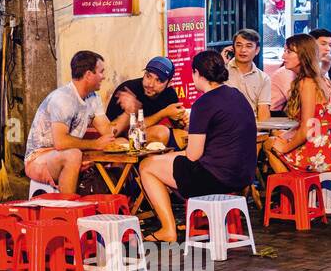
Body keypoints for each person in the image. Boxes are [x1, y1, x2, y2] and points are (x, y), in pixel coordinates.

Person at [139, 50, 258, 243]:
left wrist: (170, 155)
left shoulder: (204, 103)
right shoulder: (236, 94)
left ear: (197, 73)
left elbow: (193, 155)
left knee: (147, 166)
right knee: (165, 161)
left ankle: (168, 229)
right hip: (244, 175)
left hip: (216, 177)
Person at [24, 50, 116, 195]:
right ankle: (68, 209)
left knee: (120, 143)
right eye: (101, 72)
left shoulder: (93, 97)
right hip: (39, 158)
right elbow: (61, 142)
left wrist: (128, 113)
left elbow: (108, 132)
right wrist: (95, 145)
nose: (103, 77)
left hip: (67, 152)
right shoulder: (63, 99)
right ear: (88, 74)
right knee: (73, 155)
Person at [261, 34, 331, 174]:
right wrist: (284, 137)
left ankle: (295, 191)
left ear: (303, 55)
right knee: (278, 137)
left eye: (288, 52)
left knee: (269, 144)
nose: (283, 56)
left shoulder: (307, 82)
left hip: (322, 156)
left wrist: (284, 147)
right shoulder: (322, 79)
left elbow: (307, 130)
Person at [105, 56, 185, 147]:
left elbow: (178, 125)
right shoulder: (128, 89)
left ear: (169, 83)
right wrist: (163, 113)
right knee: (159, 133)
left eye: (158, 80)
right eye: (148, 76)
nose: (150, 84)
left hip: (144, 136)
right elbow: (126, 130)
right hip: (119, 137)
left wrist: (183, 121)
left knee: (178, 136)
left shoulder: (170, 94)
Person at [222, 29, 271, 120]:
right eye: (239, 45)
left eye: (249, 46)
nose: (243, 50)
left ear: (257, 50)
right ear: (233, 48)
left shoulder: (263, 78)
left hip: (252, 125)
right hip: (226, 125)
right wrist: (221, 65)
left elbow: (263, 110)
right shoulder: (222, 72)